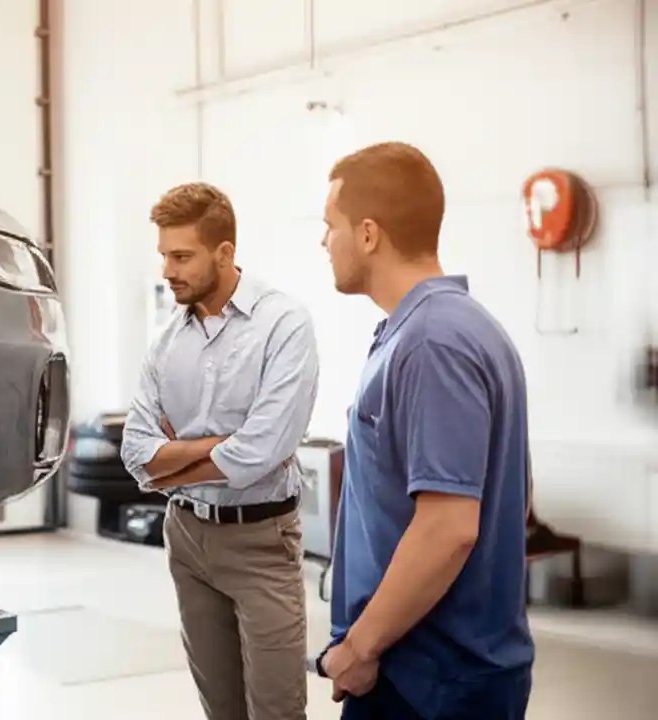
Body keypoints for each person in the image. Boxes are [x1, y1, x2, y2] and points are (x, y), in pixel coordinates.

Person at [316, 141, 535, 719]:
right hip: (415, 667)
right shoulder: (425, 330)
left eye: (329, 226)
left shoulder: (434, 342)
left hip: (429, 681)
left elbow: (448, 527)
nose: (323, 242)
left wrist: (360, 648)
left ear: (368, 234)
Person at [120, 181, 319, 720]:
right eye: (164, 255)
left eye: (181, 256)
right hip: (186, 538)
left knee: (277, 711)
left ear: (225, 252)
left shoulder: (284, 325)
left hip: (261, 541)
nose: (167, 270)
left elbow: (264, 451)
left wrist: (175, 457)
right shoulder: (166, 342)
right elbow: (137, 452)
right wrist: (218, 446)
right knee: (221, 711)